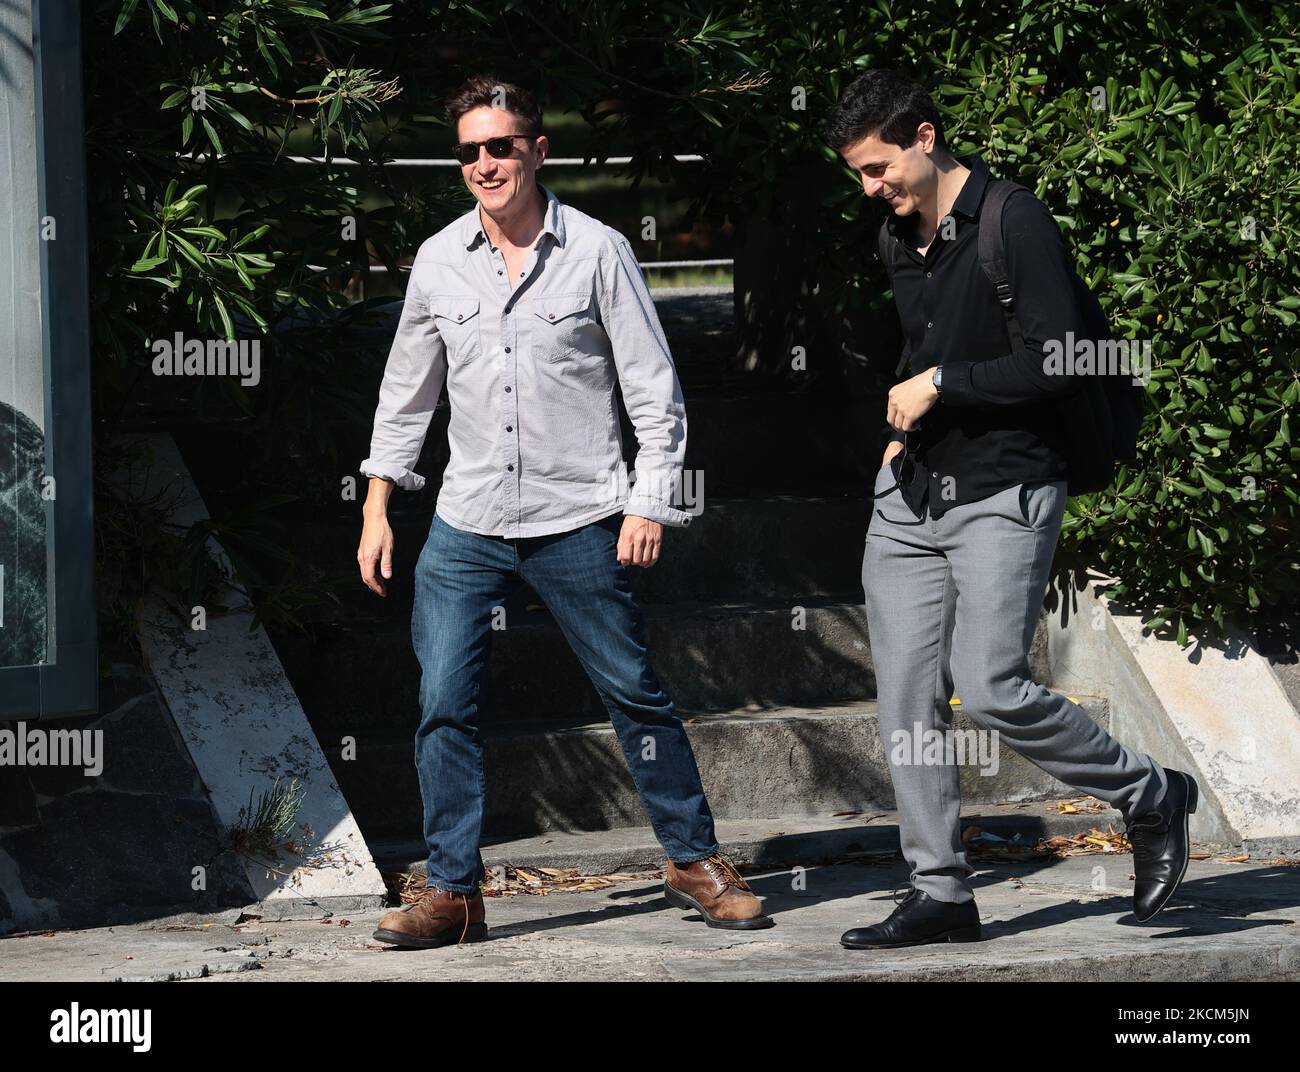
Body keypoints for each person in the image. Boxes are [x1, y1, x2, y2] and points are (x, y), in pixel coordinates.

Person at [356, 74, 771, 948]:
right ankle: (453, 894)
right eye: (468, 150)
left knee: (635, 693)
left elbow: (654, 391)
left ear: (538, 150)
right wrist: (379, 504)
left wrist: (650, 501)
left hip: (580, 516)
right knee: (442, 702)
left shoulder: (598, 250)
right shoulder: (438, 259)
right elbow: (406, 395)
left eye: (500, 145)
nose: (483, 163)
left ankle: (693, 860)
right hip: (465, 524)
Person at [823, 69, 1198, 949]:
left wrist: (942, 385)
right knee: (907, 704)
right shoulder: (895, 235)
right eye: (858, 176)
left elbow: (1062, 359)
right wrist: (900, 432)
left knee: (991, 686)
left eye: (879, 168)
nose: (871, 190)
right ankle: (941, 891)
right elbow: (927, 343)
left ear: (924, 136)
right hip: (909, 495)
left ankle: (1151, 793)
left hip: (1006, 489)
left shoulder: (1013, 220)